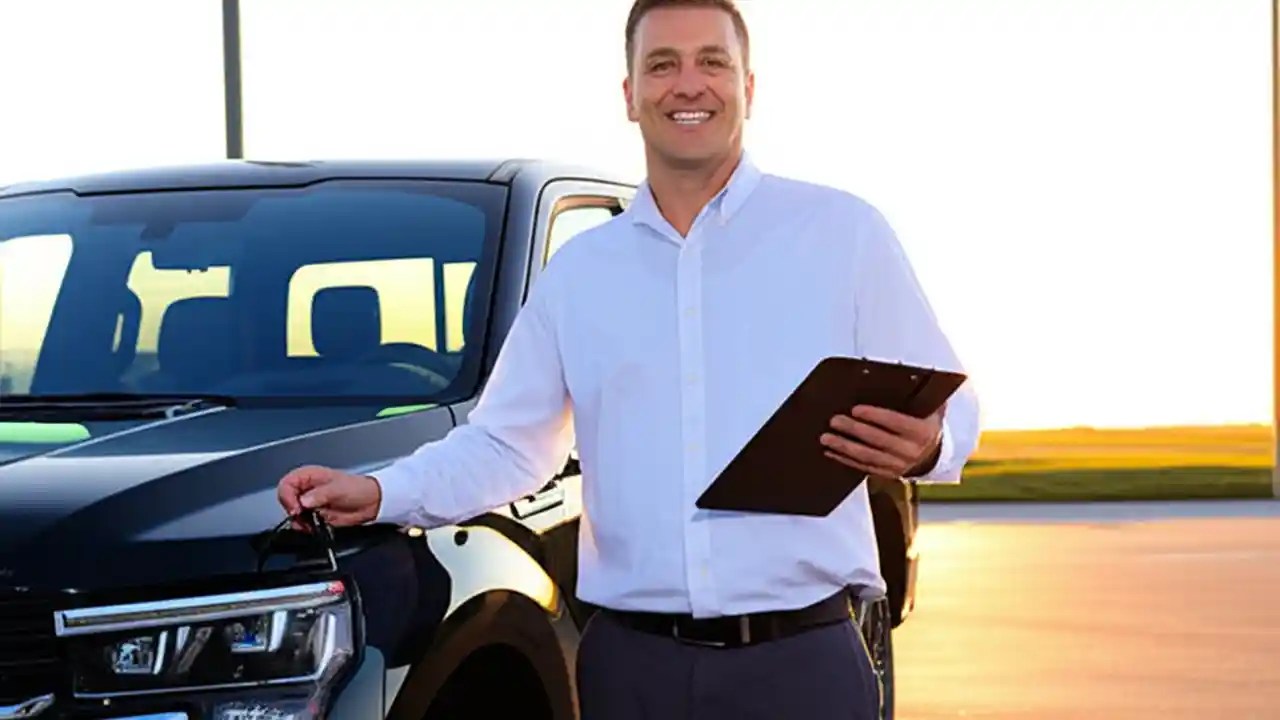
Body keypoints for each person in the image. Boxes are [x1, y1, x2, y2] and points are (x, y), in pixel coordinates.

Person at [277, 0, 980, 717]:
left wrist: (930, 445)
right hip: (634, 670)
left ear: (749, 87)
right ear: (630, 95)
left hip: (803, 663)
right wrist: (382, 493)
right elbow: (506, 448)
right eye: (662, 64)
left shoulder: (843, 235)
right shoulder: (581, 276)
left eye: (712, 62)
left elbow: (952, 409)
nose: (688, 84)